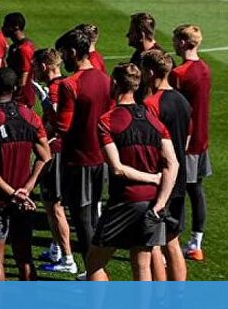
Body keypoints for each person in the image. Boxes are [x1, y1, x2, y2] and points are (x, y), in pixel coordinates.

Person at [85, 64, 178, 281]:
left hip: (124, 201)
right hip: (152, 202)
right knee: (142, 264)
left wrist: (152, 178)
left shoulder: (107, 121)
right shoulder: (154, 120)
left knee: (94, 263)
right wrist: (160, 204)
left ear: (115, 84)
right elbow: (172, 163)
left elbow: (117, 168)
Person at [43, 30, 113, 277]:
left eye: (63, 53)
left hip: (79, 158)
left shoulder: (70, 84)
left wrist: (46, 110)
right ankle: (96, 270)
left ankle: (95, 272)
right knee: (93, 214)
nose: (62, 59)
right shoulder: (106, 79)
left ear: (73, 52)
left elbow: (62, 127)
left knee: (83, 222)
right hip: (102, 157)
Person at [0, 68, 53, 281]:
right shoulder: (31, 117)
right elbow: (46, 156)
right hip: (23, 201)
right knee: (24, 258)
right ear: (16, 88)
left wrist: (11, 192)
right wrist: (26, 189)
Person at [140, 50, 192, 282]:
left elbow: (150, 144)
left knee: (153, 245)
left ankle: (158, 300)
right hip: (180, 177)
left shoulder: (152, 104)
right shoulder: (182, 101)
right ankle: (176, 299)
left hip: (160, 179)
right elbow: (187, 139)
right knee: (172, 240)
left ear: (150, 72)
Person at [169, 24, 212, 262]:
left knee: (177, 191)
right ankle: (196, 241)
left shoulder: (180, 74)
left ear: (184, 43)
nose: (174, 44)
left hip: (185, 142)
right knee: (196, 191)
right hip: (201, 140)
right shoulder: (205, 68)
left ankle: (172, 242)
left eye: (176, 40)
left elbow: (177, 110)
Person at [33, 48, 75, 272]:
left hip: (54, 152)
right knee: (52, 206)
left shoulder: (55, 89)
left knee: (54, 206)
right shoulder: (65, 83)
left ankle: (68, 259)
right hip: (59, 150)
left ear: (43, 66)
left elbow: (58, 120)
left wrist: (46, 102)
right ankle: (57, 248)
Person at [3, 12, 38, 109]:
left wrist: (17, 96)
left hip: (23, 98)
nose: (3, 28)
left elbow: (25, 74)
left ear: (16, 27)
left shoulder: (24, 49)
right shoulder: (15, 46)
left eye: (6, 25)